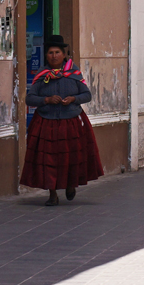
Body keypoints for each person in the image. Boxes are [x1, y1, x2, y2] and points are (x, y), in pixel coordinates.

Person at [22, 35, 104, 205]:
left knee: (71, 156)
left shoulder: (74, 74)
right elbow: (29, 99)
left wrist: (73, 99)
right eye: (50, 52)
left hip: (71, 122)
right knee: (48, 159)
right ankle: (52, 194)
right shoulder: (42, 75)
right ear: (46, 55)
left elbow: (87, 95)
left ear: (63, 54)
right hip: (46, 122)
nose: (54, 56)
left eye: (57, 52)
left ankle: (70, 185)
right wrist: (46, 100)